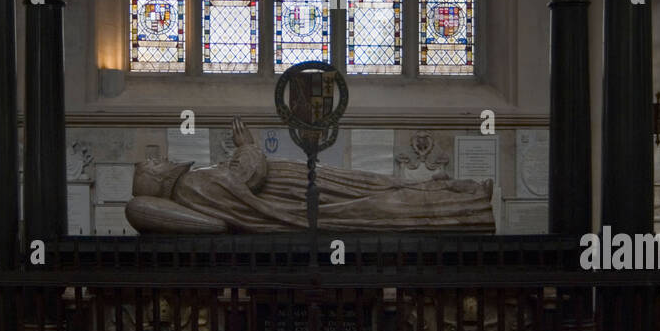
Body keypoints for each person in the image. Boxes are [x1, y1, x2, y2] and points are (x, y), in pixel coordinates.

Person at [126, 117, 495, 233]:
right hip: (292, 197)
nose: (161, 160)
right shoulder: (192, 185)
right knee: (381, 201)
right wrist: (246, 144)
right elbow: (247, 178)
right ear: (159, 182)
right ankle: (468, 206)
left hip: (294, 185)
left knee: (380, 186)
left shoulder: (192, 187)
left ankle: (456, 192)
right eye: (154, 165)